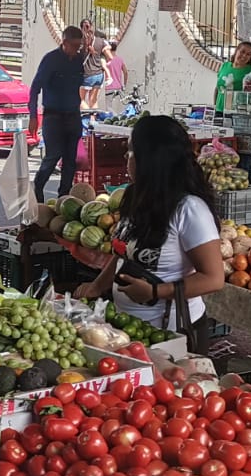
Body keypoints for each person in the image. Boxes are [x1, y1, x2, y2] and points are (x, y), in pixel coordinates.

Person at [73, 115, 224, 331]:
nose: (126, 156)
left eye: (132, 150)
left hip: (170, 331)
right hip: (126, 325)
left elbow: (213, 279)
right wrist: (97, 286)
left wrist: (156, 292)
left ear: (151, 159)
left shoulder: (190, 209)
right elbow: (122, 255)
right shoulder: (137, 196)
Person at [29, 26, 87, 197]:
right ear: (65, 42)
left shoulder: (79, 60)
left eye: (79, 46)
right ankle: (38, 187)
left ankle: (64, 195)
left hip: (73, 116)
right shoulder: (51, 60)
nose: (76, 50)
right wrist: (33, 115)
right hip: (53, 116)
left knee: (70, 160)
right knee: (53, 155)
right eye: (74, 46)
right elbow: (35, 88)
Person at [213, 41, 251, 113]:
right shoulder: (224, 66)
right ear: (236, 51)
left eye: (248, 54)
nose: (244, 56)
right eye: (242, 52)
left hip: (237, 113)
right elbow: (217, 88)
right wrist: (214, 106)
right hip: (219, 111)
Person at [78, 19, 113, 111]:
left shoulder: (79, 42)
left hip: (86, 75)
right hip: (99, 75)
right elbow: (110, 57)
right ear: (92, 27)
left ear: (81, 29)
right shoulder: (101, 41)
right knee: (93, 101)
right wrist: (102, 61)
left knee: (78, 100)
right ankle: (94, 122)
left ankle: (89, 116)